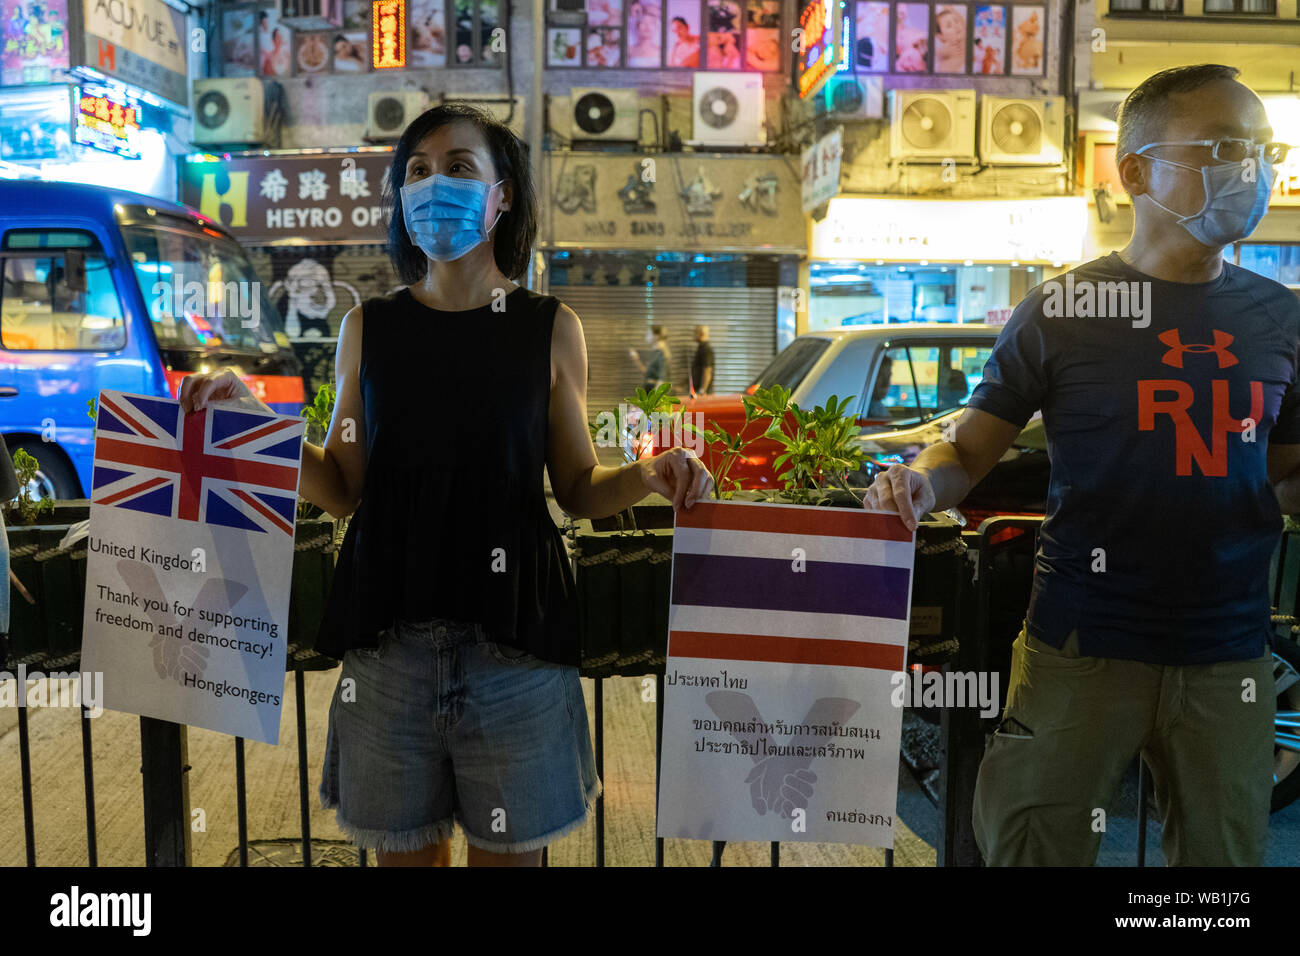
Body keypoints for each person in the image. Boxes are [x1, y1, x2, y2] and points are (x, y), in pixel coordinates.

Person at [179, 104, 713, 867]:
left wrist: (651, 476)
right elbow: (340, 486)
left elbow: (577, 489)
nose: (436, 185)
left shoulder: (548, 326)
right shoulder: (370, 327)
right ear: (400, 197)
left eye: (461, 167)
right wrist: (252, 420)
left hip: (515, 653)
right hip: (389, 654)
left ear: (501, 199)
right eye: (418, 171)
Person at [866, 64, 1300, 866]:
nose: (1253, 168)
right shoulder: (1061, 311)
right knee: (1033, 849)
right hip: (1080, 644)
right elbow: (966, 450)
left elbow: (1284, 476)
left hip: (1230, 654)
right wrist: (921, 482)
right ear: (1135, 171)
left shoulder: (1282, 318)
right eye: (1223, 146)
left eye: (1262, 148)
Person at [629, 324, 670, 392]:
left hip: (654, 391)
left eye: (648, 334)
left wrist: (655, 399)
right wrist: (636, 359)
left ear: (657, 336)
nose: (646, 336)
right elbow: (647, 373)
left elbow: (662, 378)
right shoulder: (655, 352)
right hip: (649, 389)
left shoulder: (661, 352)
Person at [690, 324, 714, 396]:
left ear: (701, 334)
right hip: (698, 391)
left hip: (703, 393)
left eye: (695, 332)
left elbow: (707, 370)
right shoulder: (701, 347)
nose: (693, 335)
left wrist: (702, 390)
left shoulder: (706, 349)